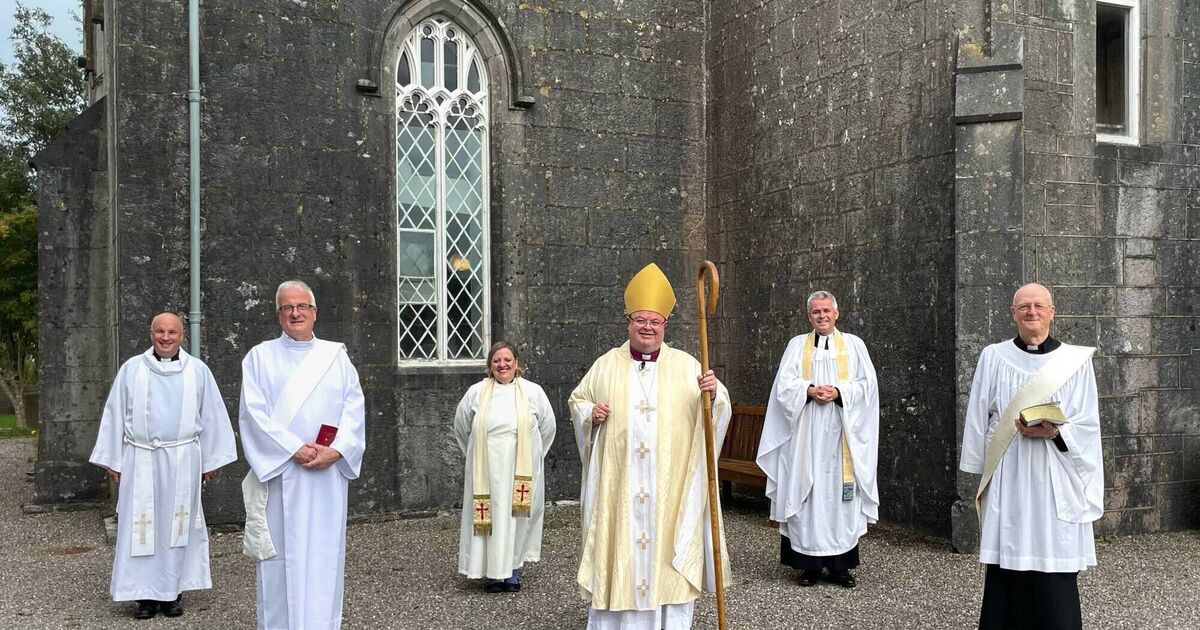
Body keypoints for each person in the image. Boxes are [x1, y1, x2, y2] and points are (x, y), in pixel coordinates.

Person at [569, 262, 732, 630]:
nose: (647, 327)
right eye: (640, 320)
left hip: (669, 495)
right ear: (628, 322)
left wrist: (715, 395)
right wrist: (590, 414)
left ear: (665, 326)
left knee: (667, 567)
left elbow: (717, 413)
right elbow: (578, 402)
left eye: (655, 322)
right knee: (620, 562)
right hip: (619, 490)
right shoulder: (605, 365)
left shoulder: (689, 365)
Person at [959, 283, 1103, 630]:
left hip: (1056, 474)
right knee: (1008, 559)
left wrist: (1055, 431)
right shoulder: (993, 357)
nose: (1032, 312)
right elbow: (979, 412)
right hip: (1010, 472)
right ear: (1013, 313)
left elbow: (1087, 421)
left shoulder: (1075, 362)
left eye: (1039, 305)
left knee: (1054, 561)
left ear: (1052, 312)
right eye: (1023, 306)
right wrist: (978, 469)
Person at [88, 312, 237, 619]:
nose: (165, 337)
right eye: (160, 332)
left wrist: (211, 460)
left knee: (177, 525)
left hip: (183, 458)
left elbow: (212, 416)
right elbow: (115, 414)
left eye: (172, 332)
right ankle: (143, 595)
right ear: (151, 333)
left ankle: (172, 593)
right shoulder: (132, 370)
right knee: (140, 526)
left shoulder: (198, 371)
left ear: (182, 335)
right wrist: (113, 459)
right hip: (140, 457)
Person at [239, 280, 366, 630]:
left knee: (323, 558)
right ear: (278, 314)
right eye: (287, 307)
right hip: (282, 476)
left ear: (314, 312)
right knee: (279, 562)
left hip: (326, 478)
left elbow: (354, 410)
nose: (295, 313)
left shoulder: (335, 357)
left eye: (302, 307)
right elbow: (253, 414)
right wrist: (292, 448)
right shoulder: (259, 358)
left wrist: (338, 450)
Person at [757, 290, 879, 588]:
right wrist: (808, 390)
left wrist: (840, 393)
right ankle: (808, 566)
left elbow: (868, 387)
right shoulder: (796, 346)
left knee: (839, 498)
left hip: (841, 436)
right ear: (809, 316)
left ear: (836, 313)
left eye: (826, 311)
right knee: (806, 494)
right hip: (805, 436)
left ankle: (840, 567)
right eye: (816, 312)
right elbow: (783, 387)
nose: (822, 316)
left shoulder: (854, 345)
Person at [453, 341, 557, 592]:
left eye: (507, 360)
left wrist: (532, 457)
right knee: (489, 519)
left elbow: (548, 427)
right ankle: (489, 572)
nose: (503, 365)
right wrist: (476, 458)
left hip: (519, 471)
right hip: (485, 472)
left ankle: (510, 570)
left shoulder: (533, 392)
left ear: (517, 363)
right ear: (490, 365)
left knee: (514, 519)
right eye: (497, 360)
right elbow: (461, 426)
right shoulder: (476, 392)